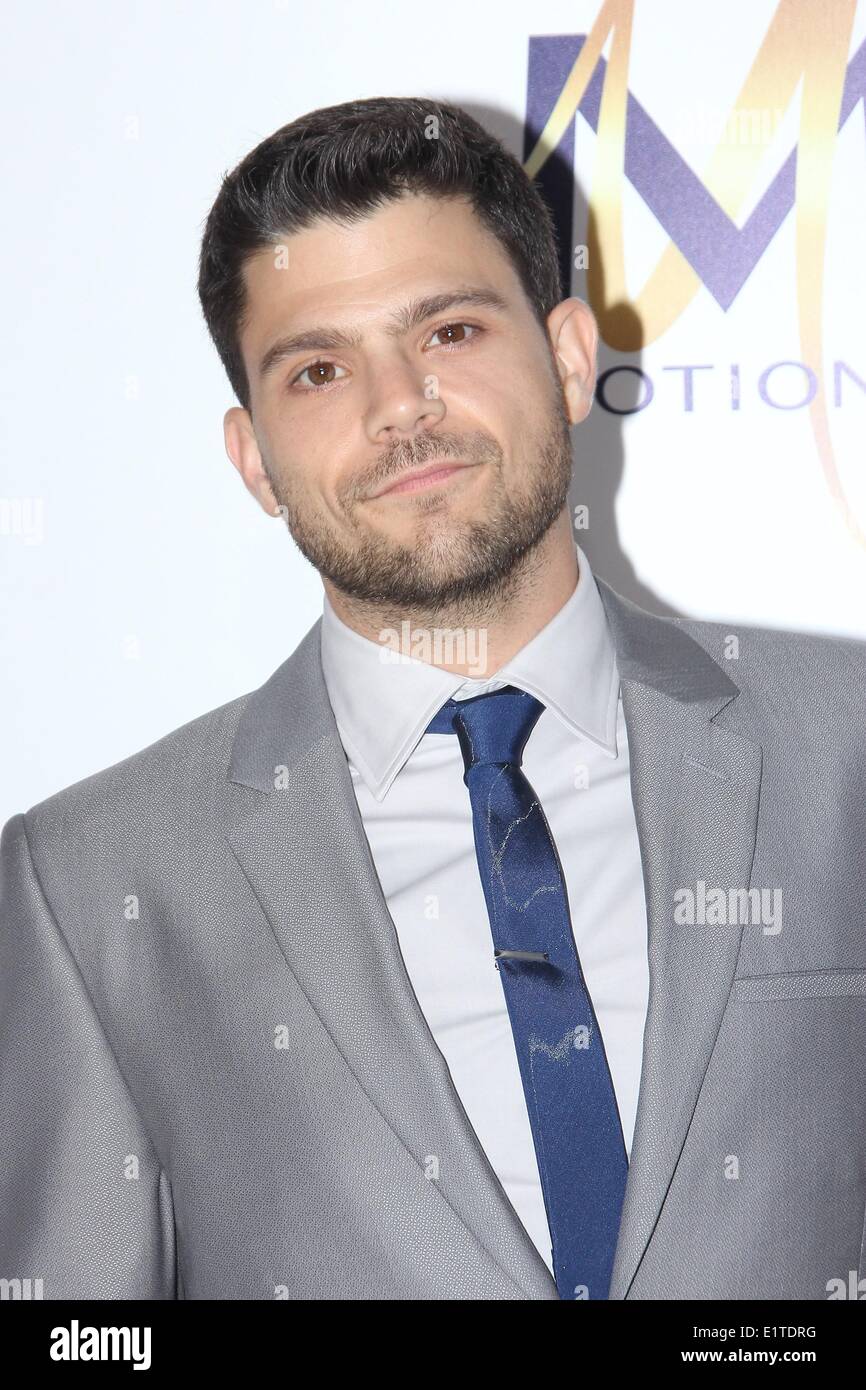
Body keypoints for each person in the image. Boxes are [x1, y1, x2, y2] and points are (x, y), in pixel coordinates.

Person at [2, 96, 865, 1302]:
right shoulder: (93, 885)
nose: (398, 406)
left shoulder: (844, 748)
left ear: (568, 358)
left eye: (449, 331)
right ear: (253, 459)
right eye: (317, 368)